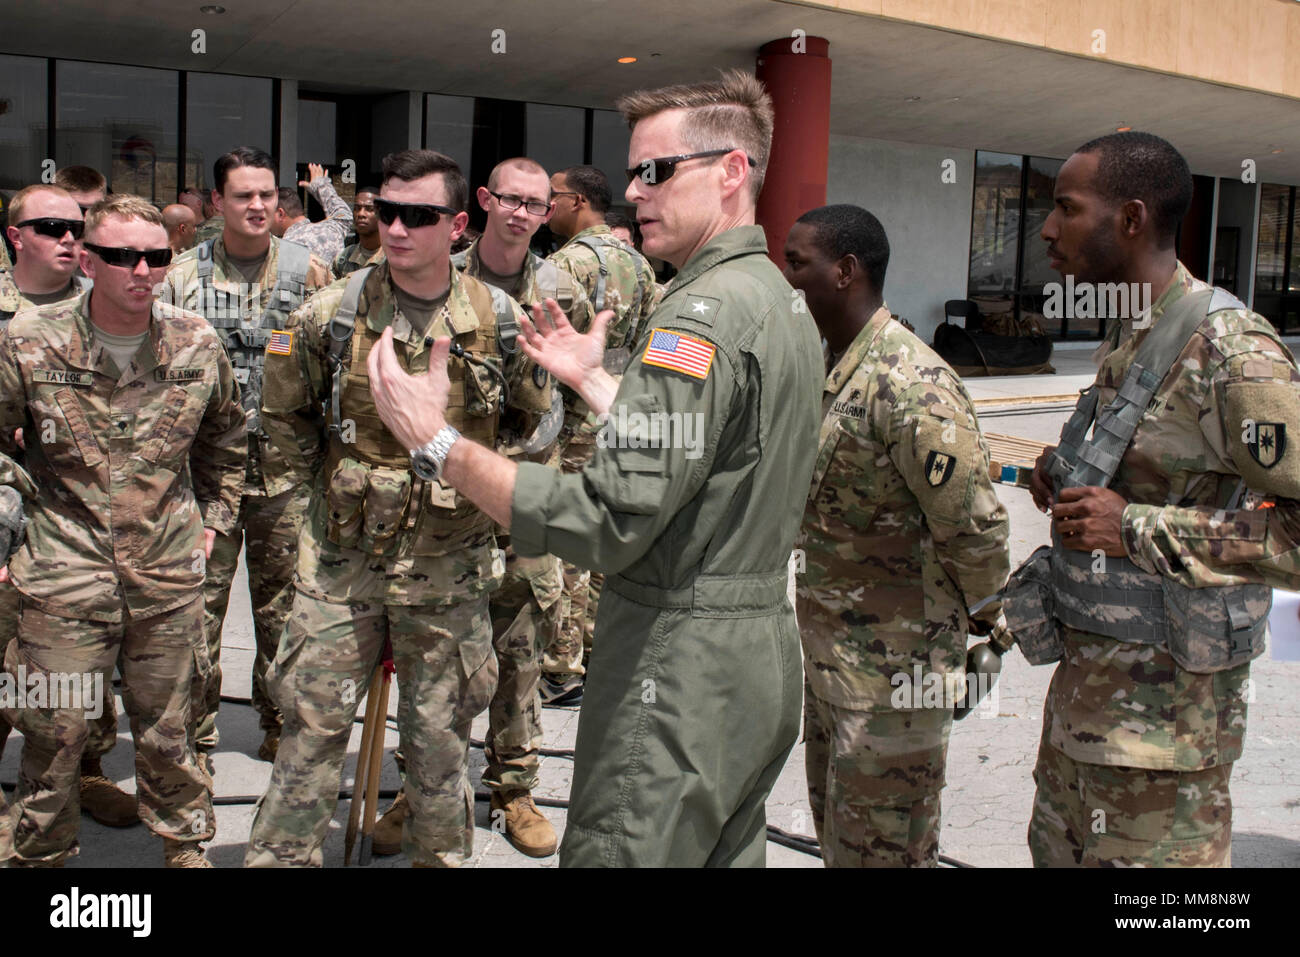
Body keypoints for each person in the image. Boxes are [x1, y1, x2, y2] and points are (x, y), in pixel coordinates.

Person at [365, 71, 823, 867]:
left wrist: (436, 440)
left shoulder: (698, 314)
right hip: (755, 659)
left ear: (732, 171)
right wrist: (593, 379)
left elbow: (608, 519)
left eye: (658, 170)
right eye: (635, 171)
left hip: (679, 662)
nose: (635, 192)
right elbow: (714, 450)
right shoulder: (772, 296)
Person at [244, 148, 553, 868]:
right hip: (342, 563)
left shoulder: (501, 320)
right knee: (308, 735)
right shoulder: (331, 312)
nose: (399, 228)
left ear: (457, 225)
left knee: (441, 748)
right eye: (387, 211)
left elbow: (536, 428)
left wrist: (488, 499)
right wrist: (303, 527)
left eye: (420, 215)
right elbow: (285, 424)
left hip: (449, 568)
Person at [1023, 131, 1300, 867]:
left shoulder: (1232, 350)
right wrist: (1068, 470)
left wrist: (1135, 526)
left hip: (1168, 752)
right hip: (1084, 726)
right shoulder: (1131, 334)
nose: (1048, 229)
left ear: (1133, 218)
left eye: (1066, 208)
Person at [0, 194, 246, 867]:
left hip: (166, 570)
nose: (142, 269)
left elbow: (227, 438)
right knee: (54, 732)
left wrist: (216, 523)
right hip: (62, 569)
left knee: (172, 731)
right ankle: (39, 855)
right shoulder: (28, 339)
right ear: (86, 257)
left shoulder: (195, 339)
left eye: (157, 256)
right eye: (121, 256)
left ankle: (186, 847)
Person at [783, 204, 1010, 866]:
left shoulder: (911, 383)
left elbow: (975, 527)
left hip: (895, 686)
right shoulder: (834, 367)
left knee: (886, 853)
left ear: (846, 270)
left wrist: (989, 636)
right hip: (834, 669)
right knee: (842, 843)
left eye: (798, 262)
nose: (786, 275)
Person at [160, 147, 331, 766]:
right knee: (194, 616)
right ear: (217, 203)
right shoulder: (180, 276)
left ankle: (281, 723)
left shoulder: (310, 273)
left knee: (286, 611)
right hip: (199, 483)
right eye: (242, 196)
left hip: (285, 478)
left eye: (266, 195)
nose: (257, 206)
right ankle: (194, 737)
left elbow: (333, 368)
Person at [543, 164, 661, 706]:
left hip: (572, 417)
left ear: (579, 202)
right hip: (618, 410)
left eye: (554, 197)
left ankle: (561, 665)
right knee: (599, 544)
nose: (546, 207)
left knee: (565, 539)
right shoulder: (641, 264)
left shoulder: (566, 263)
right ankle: (594, 650)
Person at [275, 163, 354, 265]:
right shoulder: (330, 229)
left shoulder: (286, 245)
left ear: (281, 214)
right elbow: (344, 215)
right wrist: (322, 186)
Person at [331, 186, 385, 277]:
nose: (361, 214)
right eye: (357, 208)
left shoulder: (392, 258)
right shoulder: (344, 258)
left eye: (369, 209)